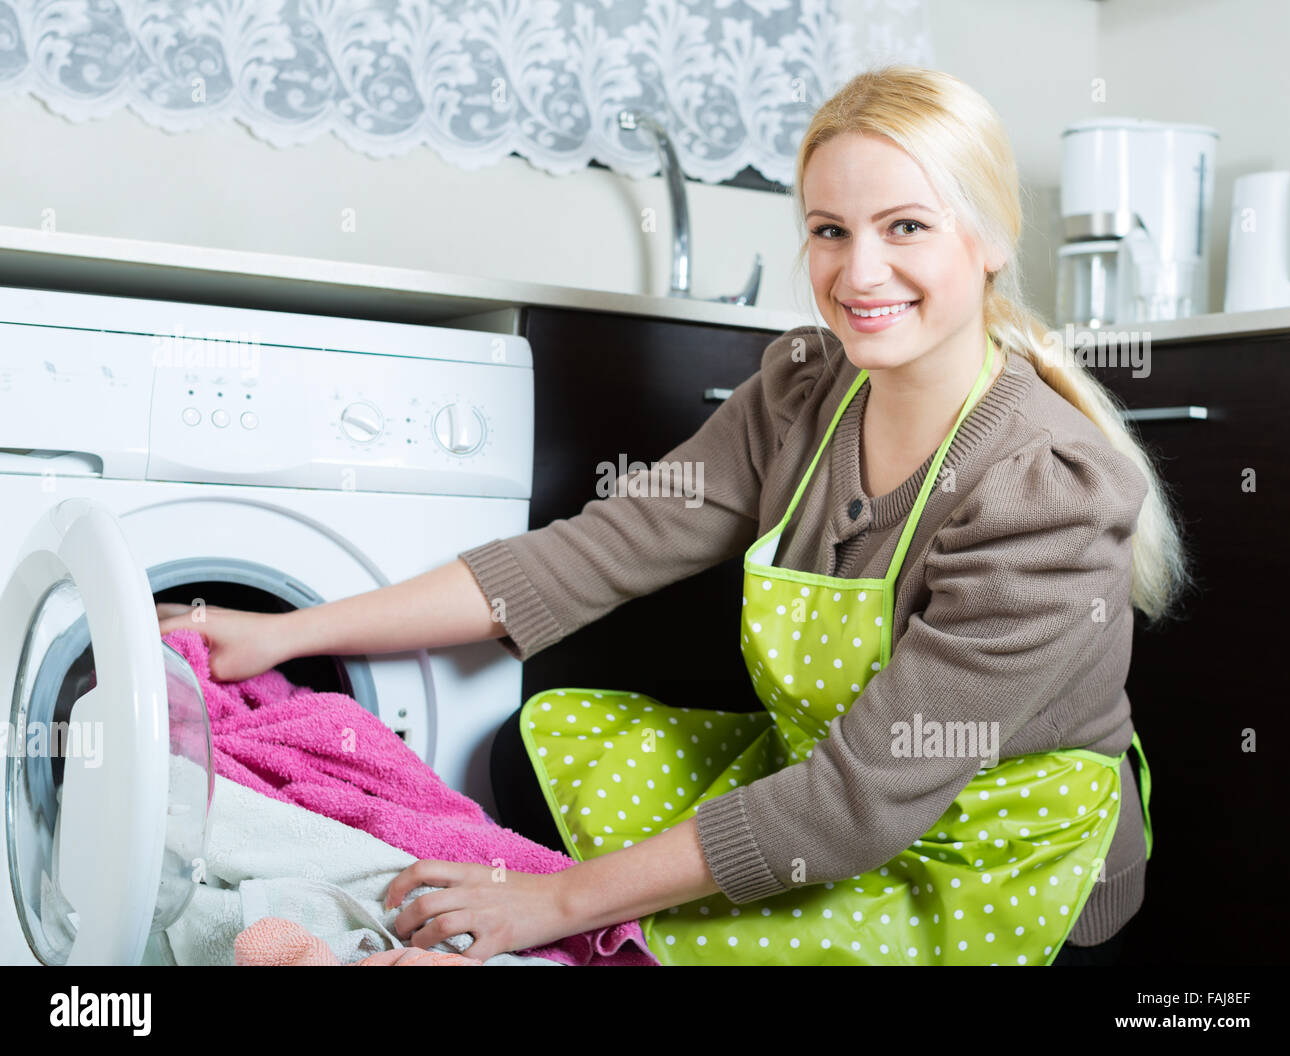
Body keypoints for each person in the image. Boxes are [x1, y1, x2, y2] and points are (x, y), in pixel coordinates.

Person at [157, 64, 1191, 966]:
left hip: (993, 872)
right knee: (540, 741)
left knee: (604, 918)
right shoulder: (802, 391)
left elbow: (854, 804)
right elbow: (587, 557)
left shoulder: (1046, 491)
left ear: (991, 239)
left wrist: (551, 903)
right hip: (826, 784)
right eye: (829, 231)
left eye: (905, 227)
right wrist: (289, 631)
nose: (858, 272)